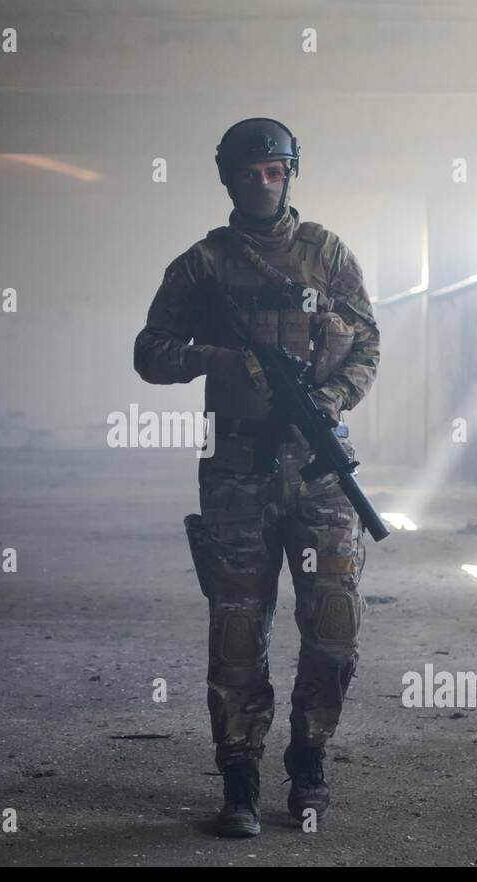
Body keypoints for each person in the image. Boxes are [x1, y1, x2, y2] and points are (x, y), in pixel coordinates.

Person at [133, 117, 381, 837]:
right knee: (238, 627)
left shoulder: (328, 254)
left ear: (291, 173)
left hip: (320, 469)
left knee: (333, 623)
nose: (263, 184)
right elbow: (150, 351)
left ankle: (309, 762)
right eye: (249, 173)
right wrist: (214, 357)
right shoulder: (202, 266)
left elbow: (367, 341)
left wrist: (331, 401)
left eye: (275, 171)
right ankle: (238, 774)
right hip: (239, 468)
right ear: (230, 180)